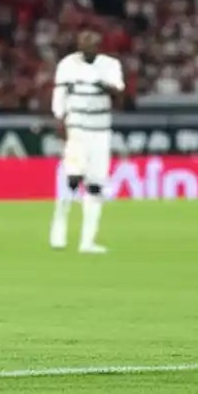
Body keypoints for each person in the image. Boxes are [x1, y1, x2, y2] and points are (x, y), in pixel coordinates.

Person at [49, 30, 125, 253]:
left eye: (93, 46)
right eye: (85, 45)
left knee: (95, 185)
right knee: (73, 177)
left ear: (99, 47)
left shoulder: (110, 65)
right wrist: (59, 119)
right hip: (78, 128)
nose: (88, 49)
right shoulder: (67, 65)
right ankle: (59, 225)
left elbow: (120, 94)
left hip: (100, 130)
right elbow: (59, 96)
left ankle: (87, 241)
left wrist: (103, 84)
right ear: (79, 46)